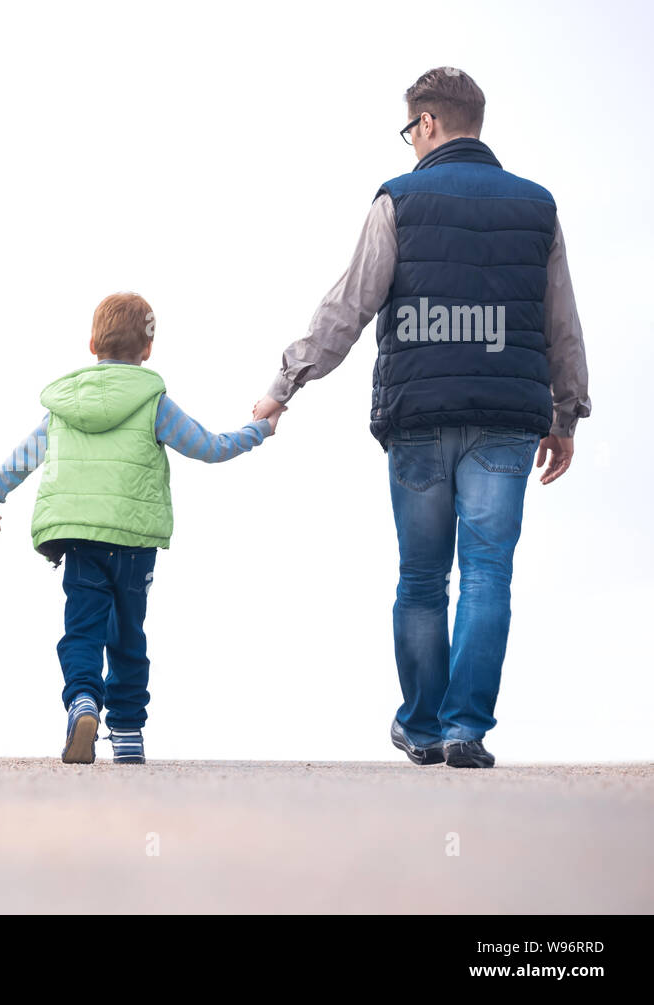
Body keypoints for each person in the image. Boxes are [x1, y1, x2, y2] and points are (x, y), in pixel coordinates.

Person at [252, 68, 591, 768]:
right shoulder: (538, 206)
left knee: (422, 576)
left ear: (428, 124)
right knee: (488, 572)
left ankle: (425, 724)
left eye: (411, 130)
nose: (410, 144)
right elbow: (563, 321)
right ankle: (467, 726)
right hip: (507, 416)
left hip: (420, 416)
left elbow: (348, 305)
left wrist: (286, 383)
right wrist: (568, 414)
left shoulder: (398, 200)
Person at [0, 292, 277, 764]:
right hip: (134, 542)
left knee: (83, 628)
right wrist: (259, 428)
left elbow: (23, 459)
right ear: (148, 350)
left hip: (78, 539)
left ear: (92, 342)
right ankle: (129, 730)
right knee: (128, 633)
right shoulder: (153, 403)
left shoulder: (64, 405)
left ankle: (83, 701)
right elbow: (209, 447)